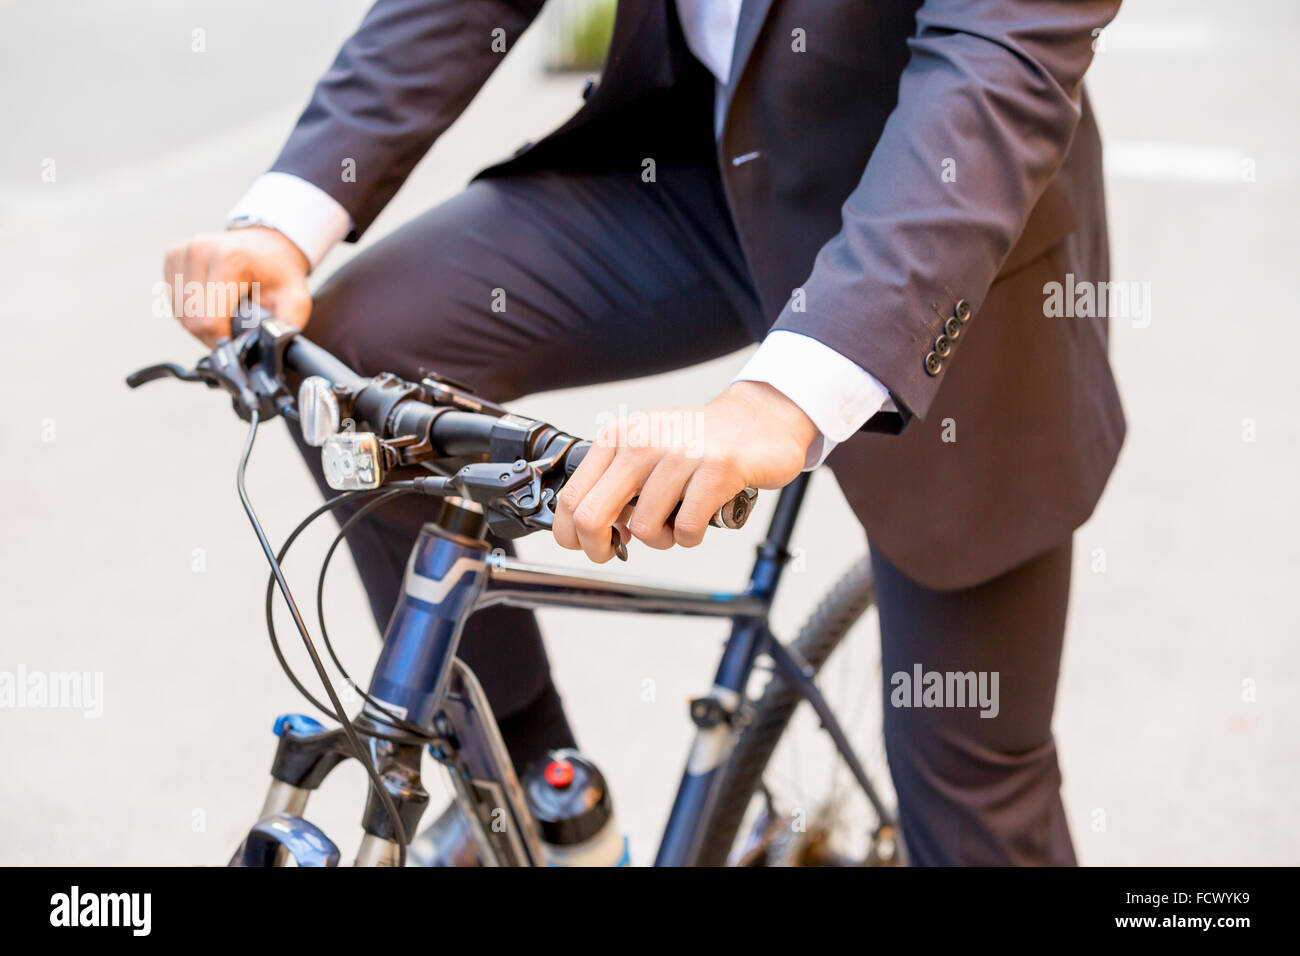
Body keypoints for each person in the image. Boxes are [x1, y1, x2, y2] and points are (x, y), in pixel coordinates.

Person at [163, 0, 1126, 865]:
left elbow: (998, 52)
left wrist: (789, 393)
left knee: (972, 794)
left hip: (942, 248)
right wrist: (285, 218)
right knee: (367, 352)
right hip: (700, 166)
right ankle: (550, 801)